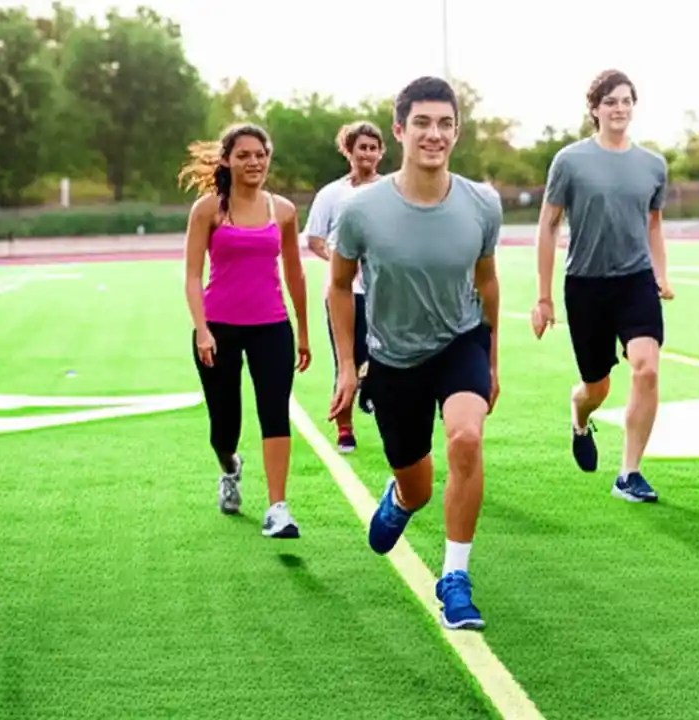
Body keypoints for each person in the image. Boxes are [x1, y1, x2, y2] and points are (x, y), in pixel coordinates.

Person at [328, 76, 502, 631]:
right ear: (400, 130)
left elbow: (488, 281)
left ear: (457, 131)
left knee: (467, 438)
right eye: (422, 123)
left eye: (445, 123)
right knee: (420, 484)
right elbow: (338, 285)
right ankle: (401, 499)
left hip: (460, 341)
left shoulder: (482, 203)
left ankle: (454, 576)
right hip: (395, 359)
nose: (435, 134)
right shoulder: (360, 210)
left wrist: (493, 358)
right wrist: (347, 367)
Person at [530, 69, 673, 504]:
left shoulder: (653, 165)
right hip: (586, 285)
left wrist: (660, 273)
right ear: (594, 109)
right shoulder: (570, 161)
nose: (619, 108)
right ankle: (579, 415)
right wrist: (543, 295)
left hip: (635, 282)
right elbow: (548, 224)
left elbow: (654, 225)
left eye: (626, 100)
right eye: (610, 101)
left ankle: (629, 473)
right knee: (597, 388)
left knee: (646, 367)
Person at [178, 123, 311, 538]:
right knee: (225, 426)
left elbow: (295, 273)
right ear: (227, 160)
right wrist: (202, 330)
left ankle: (278, 508)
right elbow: (191, 276)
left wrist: (303, 332)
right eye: (244, 155)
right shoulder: (207, 210)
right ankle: (229, 468)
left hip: (271, 326)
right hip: (218, 330)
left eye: (260, 154)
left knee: (274, 414)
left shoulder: (283, 211)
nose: (254, 162)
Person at [304, 120, 385, 453]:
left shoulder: (391, 189)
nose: (366, 153)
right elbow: (315, 239)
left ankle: (377, 401)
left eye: (372, 147)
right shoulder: (332, 194)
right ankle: (345, 428)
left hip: (384, 293)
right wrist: (341, 266)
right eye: (360, 147)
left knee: (385, 357)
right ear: (348, 151)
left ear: (381, 152)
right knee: (346, 358)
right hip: (345, 293)